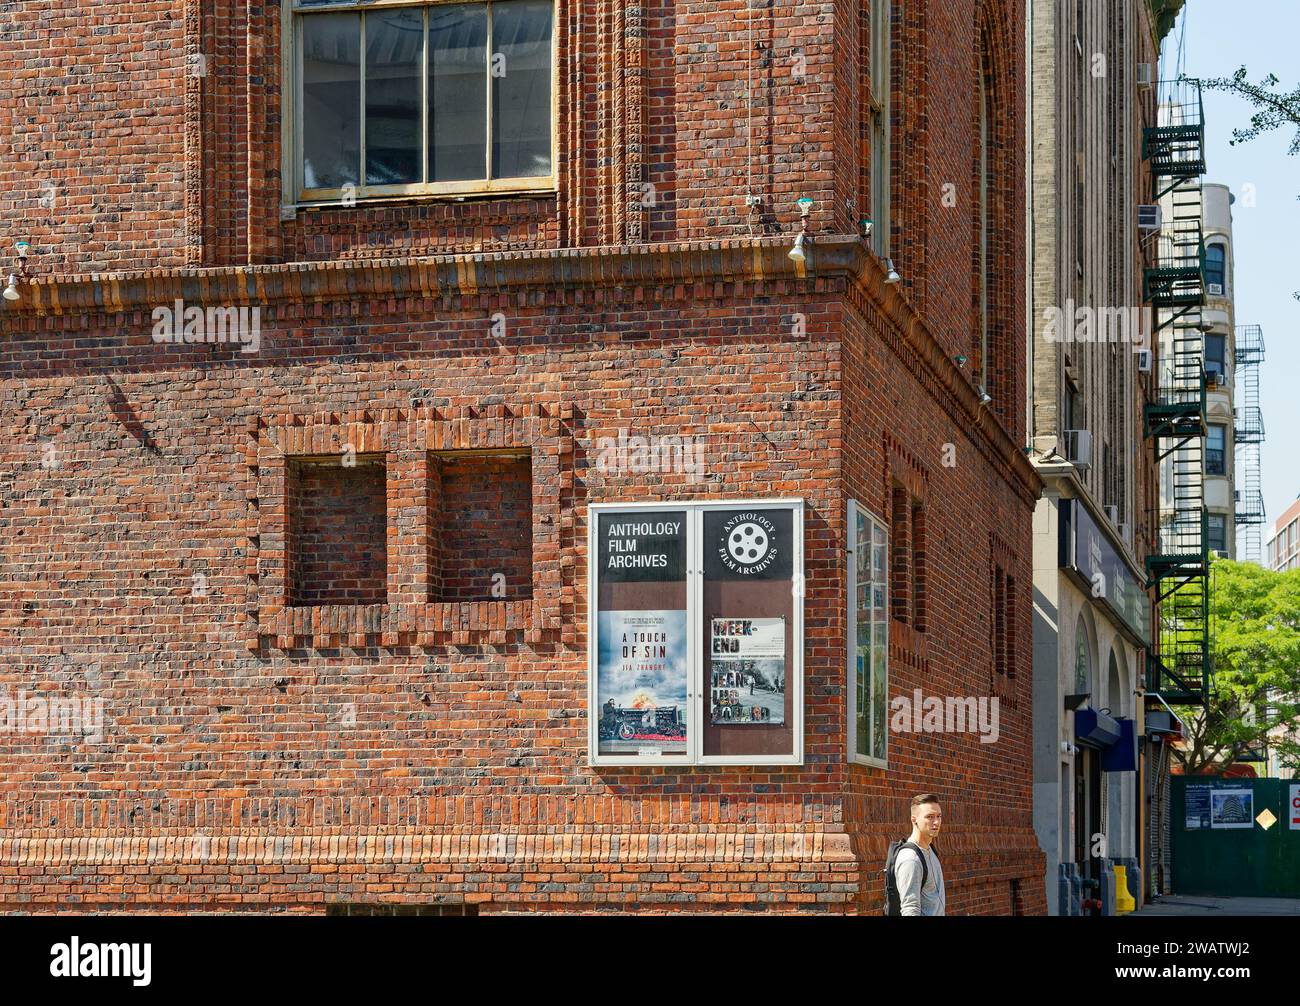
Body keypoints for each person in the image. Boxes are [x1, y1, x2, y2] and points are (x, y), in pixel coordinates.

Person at [894, 793, 946, 916]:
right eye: (930, 817)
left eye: (939, 816)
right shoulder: (911, 859)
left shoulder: (930, 850)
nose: (936, 822)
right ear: (914, 819)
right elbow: (910, 909)